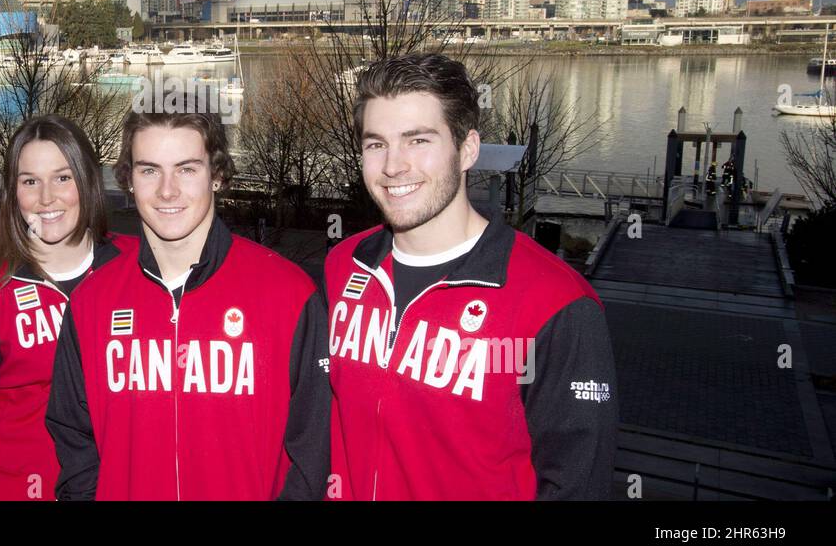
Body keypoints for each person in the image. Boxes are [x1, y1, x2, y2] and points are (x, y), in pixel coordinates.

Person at [326, 55, 617, 500]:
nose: (392, 166)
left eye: (418, 140)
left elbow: (577, 483)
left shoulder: (554, 303)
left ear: (467, 149)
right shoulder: (345, 264)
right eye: (375, 144)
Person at [46, 107, 329, 500]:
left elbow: (312, 453)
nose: (167, 190)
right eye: (149, 170)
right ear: (127, 180)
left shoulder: (289, 294)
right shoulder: (91, 302)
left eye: (186, 169)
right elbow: (73, 436)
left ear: (216, 175)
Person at [0, 115, 135, 500]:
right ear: (13, 192)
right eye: (30, 181)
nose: (46, 197)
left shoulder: (135, 268)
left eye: (63, 177)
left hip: (125, 484)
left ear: (88, 180)